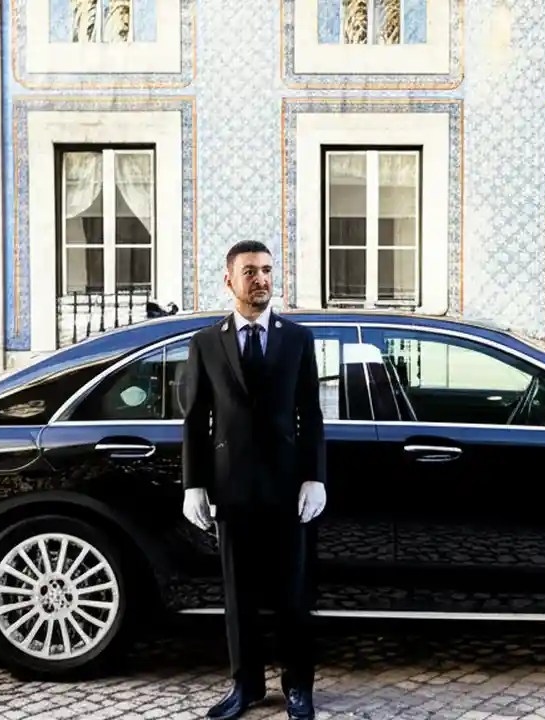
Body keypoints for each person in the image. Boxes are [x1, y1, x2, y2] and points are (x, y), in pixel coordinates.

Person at [181, 240, 328, 720]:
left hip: (288, 490)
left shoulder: (297, 339)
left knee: (293, 596)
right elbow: (195, 419)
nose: (261, 279)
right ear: (229, 280)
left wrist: (315, 478)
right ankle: (245, 687)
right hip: (233, 489)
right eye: (250, 271)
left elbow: (311, 413)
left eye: (267, 270)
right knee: (238, 598)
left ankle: (299, 689)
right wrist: (194, 485)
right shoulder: (206, 343)